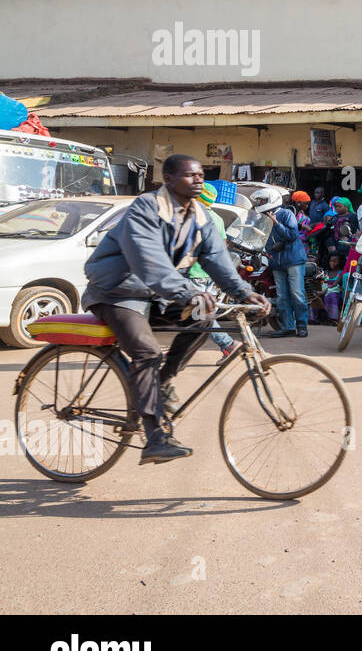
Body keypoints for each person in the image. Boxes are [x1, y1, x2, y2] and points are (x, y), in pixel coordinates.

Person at [82, 155, 271, 464]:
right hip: (117, 292)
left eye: (200, 175)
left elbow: (218, 262)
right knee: (146, 352)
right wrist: (188, 292)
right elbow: (148, 261)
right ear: (168, 179)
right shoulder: (145, 209)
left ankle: (163, 380)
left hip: (156, 293)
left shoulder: (201, 217)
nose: (198, 180)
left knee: (204, 318)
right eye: (189, 175)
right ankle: (155, 438)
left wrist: (246, 294)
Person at [187, 182, 240, 359]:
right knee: (199, 316)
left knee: (200, 316)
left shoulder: (194, 216)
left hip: (194, 273)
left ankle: (228, 344)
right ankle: (183, 353)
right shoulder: (217, 219)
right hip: (209, 274)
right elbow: (223, 248)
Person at [266, 192, 310, 338]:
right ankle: (287, 327)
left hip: (293, 259)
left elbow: (292, 235)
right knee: (282, 296)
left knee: (297, 293)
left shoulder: (286, 214)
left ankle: (302, 326)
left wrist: (276, 223)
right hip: (276, 260)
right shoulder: (262, 217)